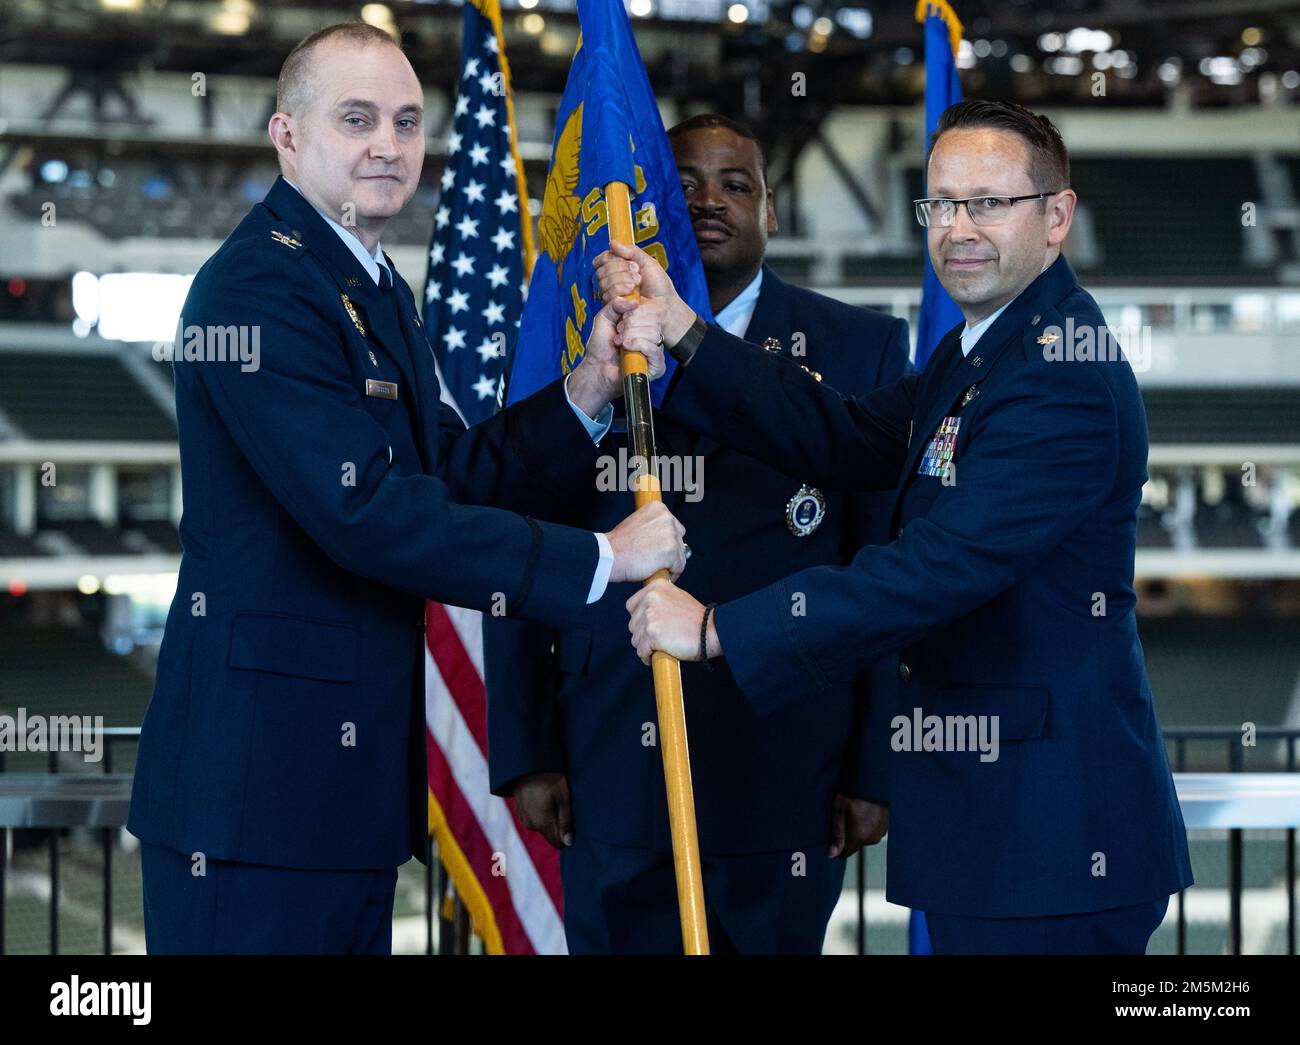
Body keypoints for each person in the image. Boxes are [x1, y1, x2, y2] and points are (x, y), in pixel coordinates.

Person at [127, 22, 686, 955]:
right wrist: (600, 558)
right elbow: (366, 513)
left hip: (334, 800)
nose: (387, 145)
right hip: (255, 804)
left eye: (406, 121)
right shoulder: (259, 291)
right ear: (287, 136)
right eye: (356, 119)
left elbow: (449, 473)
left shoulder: (371, 285)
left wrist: (586, 389)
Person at [603, 99, 1193, 955]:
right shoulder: (985, 349)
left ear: (1057, 217)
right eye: (941, 203)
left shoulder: (1061, 375)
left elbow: (933, 567)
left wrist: (720, 627)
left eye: (988, 203)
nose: (958, 228)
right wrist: (690, 331)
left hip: (1055, 847)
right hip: (1001, 837)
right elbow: (839, 435)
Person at [485, 114, 909, 954]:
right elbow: (520, 534)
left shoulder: (862, 347)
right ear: (645, 212)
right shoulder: (579, 334)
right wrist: (526, 747)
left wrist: (872, 765)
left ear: (773, 211)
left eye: (737, 183)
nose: (710, 201)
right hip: (609, 755)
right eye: (682, 186)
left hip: (789, 760)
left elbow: (884, 564)